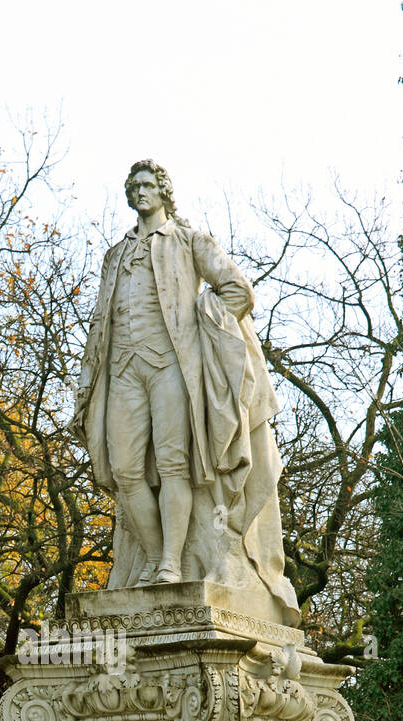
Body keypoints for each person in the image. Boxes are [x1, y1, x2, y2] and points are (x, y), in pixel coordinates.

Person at [73, 159, 299, 623]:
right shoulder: (115, 255)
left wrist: (208, 324)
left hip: (171, 367)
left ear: (164, 192)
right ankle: (156, 559)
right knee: (125, 470)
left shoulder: (189, 240)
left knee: (175, 464)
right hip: (123, 370)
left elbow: (238, 290)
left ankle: (172, 564)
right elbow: (101, 322)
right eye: (133, 185)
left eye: (148, 184)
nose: (140, 192)